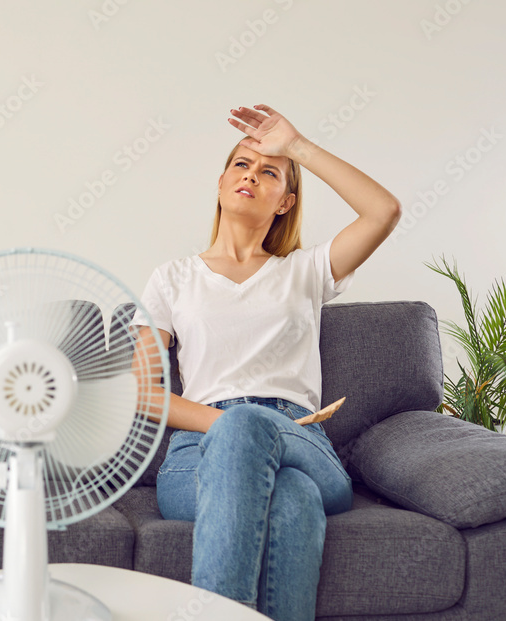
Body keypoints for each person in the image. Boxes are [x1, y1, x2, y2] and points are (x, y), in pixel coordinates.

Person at [131, 104, 401, 621]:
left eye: (268, 171)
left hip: (299, 438)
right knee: (293, 499)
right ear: (219, 183)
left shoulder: (305, 271)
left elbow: (383, 211)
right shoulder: (171, 278)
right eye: (240, 165)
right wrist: (235, 425)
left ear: (285, 202)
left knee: (263, 437)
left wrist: (296, 146)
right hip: (198, 451)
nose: (251, 174)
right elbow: (144, 395)